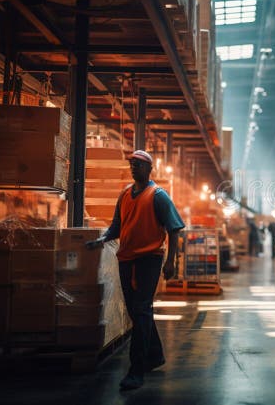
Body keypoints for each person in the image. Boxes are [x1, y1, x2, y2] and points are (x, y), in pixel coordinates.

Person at [85, 150, 185, 391]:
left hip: (148, 260)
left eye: (138, 164)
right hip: (126, 260)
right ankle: (155, 355)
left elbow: (174, 229)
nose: (133, 168)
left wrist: (171, 262)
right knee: (137, 311)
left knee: (139, 311)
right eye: (131, 164)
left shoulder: (158, 196)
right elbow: (117, 227)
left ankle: (136, 370)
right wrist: (101, 241)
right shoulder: (125, 196)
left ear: (149, 169)